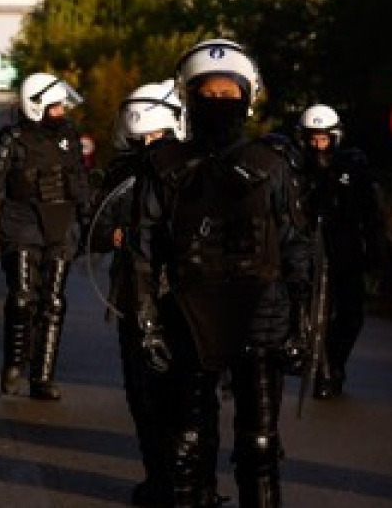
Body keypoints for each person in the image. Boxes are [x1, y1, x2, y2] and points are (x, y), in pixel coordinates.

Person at [130, 39, 312, 507]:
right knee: (186, 444)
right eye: (208, 94)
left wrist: (301, 325)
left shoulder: (273, 166)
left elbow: (296, 249)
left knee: (260, 444)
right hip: (189, 314)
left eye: (228, 94)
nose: (218, 103)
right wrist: (147, 323)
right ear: (188, 97)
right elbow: (144, 253)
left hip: (261, 313)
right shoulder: (163, 167)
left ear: (247, 98)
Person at [88, 79, 184, 506]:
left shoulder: (196, 169)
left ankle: (182, 481)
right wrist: (115, 234)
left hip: (182, 298)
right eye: (142, 135)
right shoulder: (122, 172)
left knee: (181, 396)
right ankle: (161, 478)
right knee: (143, 394)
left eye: (155, 135)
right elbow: (93, 231)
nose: (149, 143)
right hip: (133, 295)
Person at [0, 72, 90, 400]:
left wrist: (88, 221)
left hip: (60, 227)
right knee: (23, 298)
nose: (61, 112)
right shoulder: (10, 139)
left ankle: (42, 378)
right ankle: (14, 365)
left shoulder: (69, 135)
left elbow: (80, 180)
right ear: (36, 105)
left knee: (53, 303)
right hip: (21, 226)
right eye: (55, 106)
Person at [297, 104, 387, 399]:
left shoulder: (354, 168)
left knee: (350, 315)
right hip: (308, 254)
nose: (317, 145)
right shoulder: (296, 169)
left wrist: (375, 251)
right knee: (308, 315)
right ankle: (319, 368)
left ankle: (335, 365)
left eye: (323, 139)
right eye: (312, 139)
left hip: (346, 254)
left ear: (335, 137)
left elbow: (372, 215)